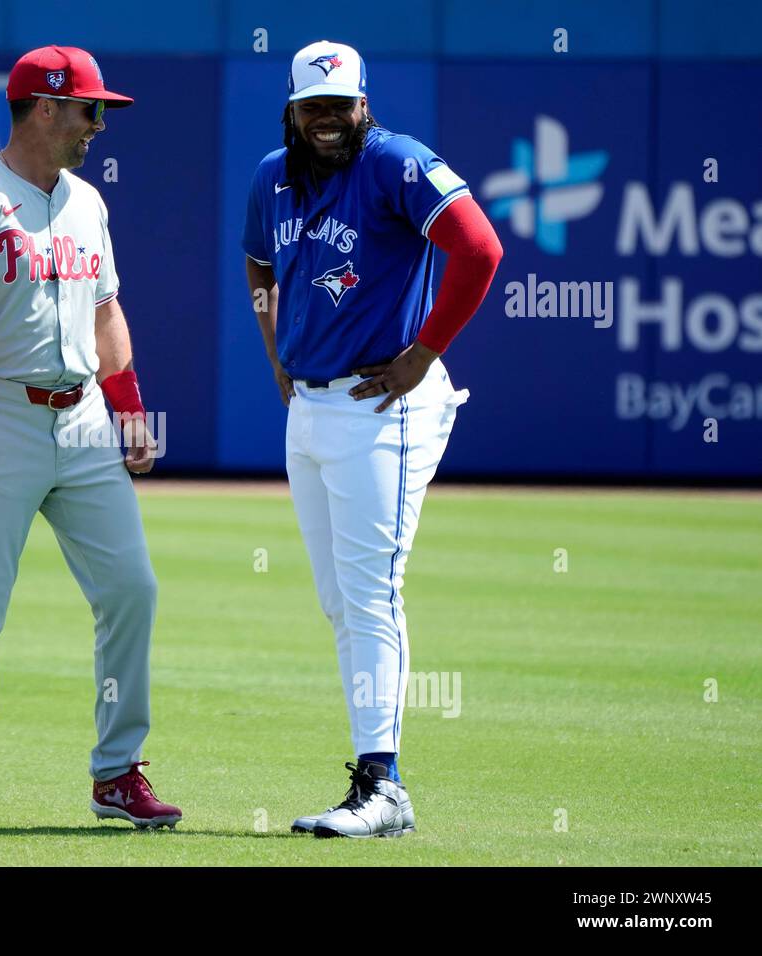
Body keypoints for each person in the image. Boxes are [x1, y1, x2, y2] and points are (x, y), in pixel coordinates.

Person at [0, 45, 181, 833]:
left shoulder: (88, 203)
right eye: (88, 110)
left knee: (132, 588)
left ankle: (117, 772)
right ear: (43, 109)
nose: (99, 124)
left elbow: (106, 313)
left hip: (84, 419)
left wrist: (129, 409)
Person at [242, 41, 503, 837]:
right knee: (340, 603)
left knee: (369, 595)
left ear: (365, 103)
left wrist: (423, 353)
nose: (328, 120)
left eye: (341, 104)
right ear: (292, 110)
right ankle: (375, 783)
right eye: (313, 107)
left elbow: (480, 248)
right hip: (312, 409)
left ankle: (383, 788)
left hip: (382, 404)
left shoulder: (397, 162)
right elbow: (259, 265)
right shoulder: (271, 177)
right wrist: (276, 355)